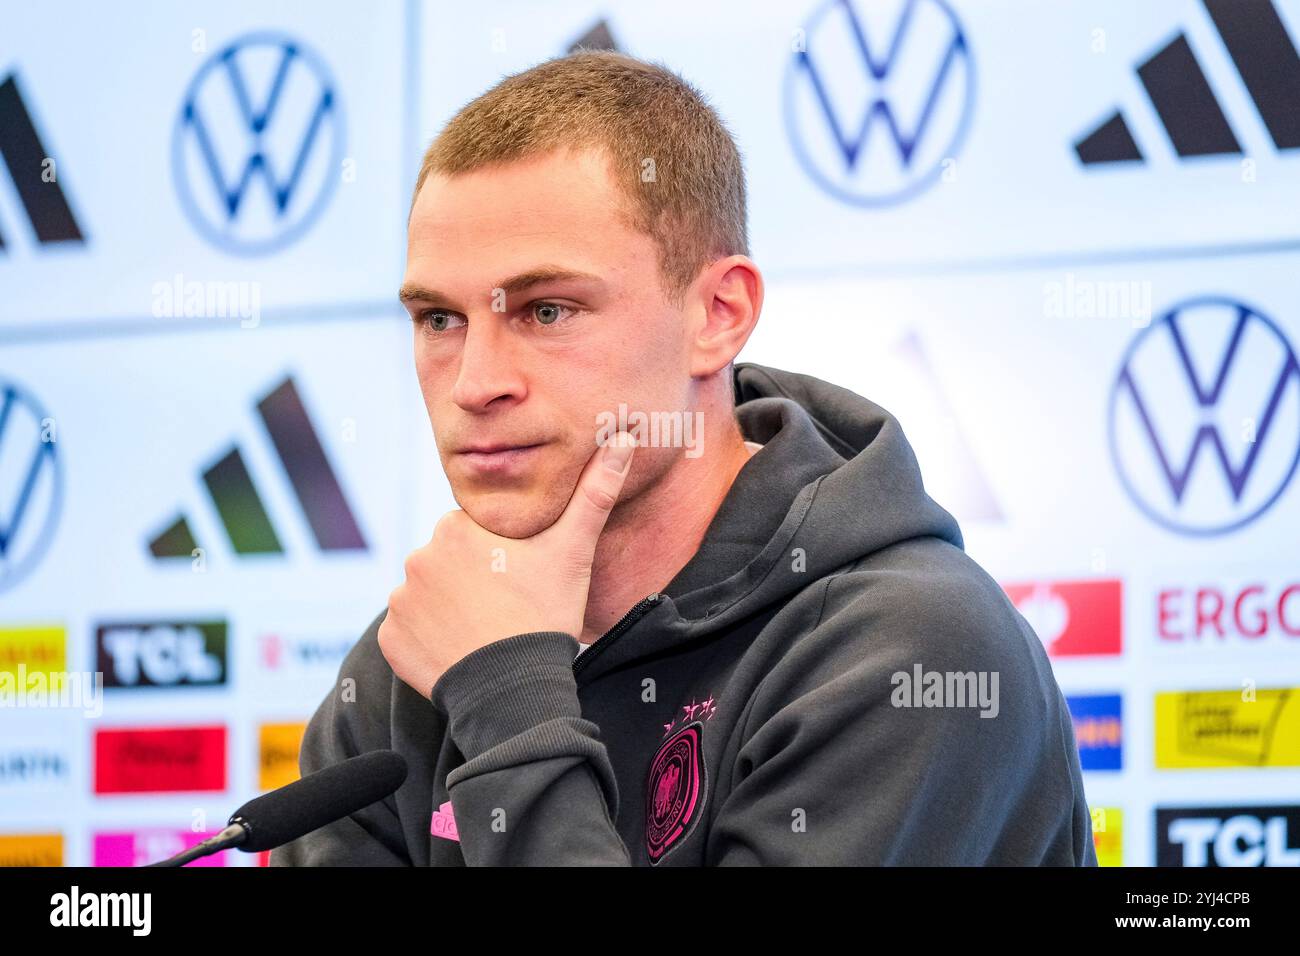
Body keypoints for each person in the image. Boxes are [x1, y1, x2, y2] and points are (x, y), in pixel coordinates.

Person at [271, 50, 1096, 866]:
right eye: (439, 320)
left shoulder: (912, 651)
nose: (475, 383)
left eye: (546, 310)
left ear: (718, 313)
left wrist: (508, 705)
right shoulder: (422, 654)